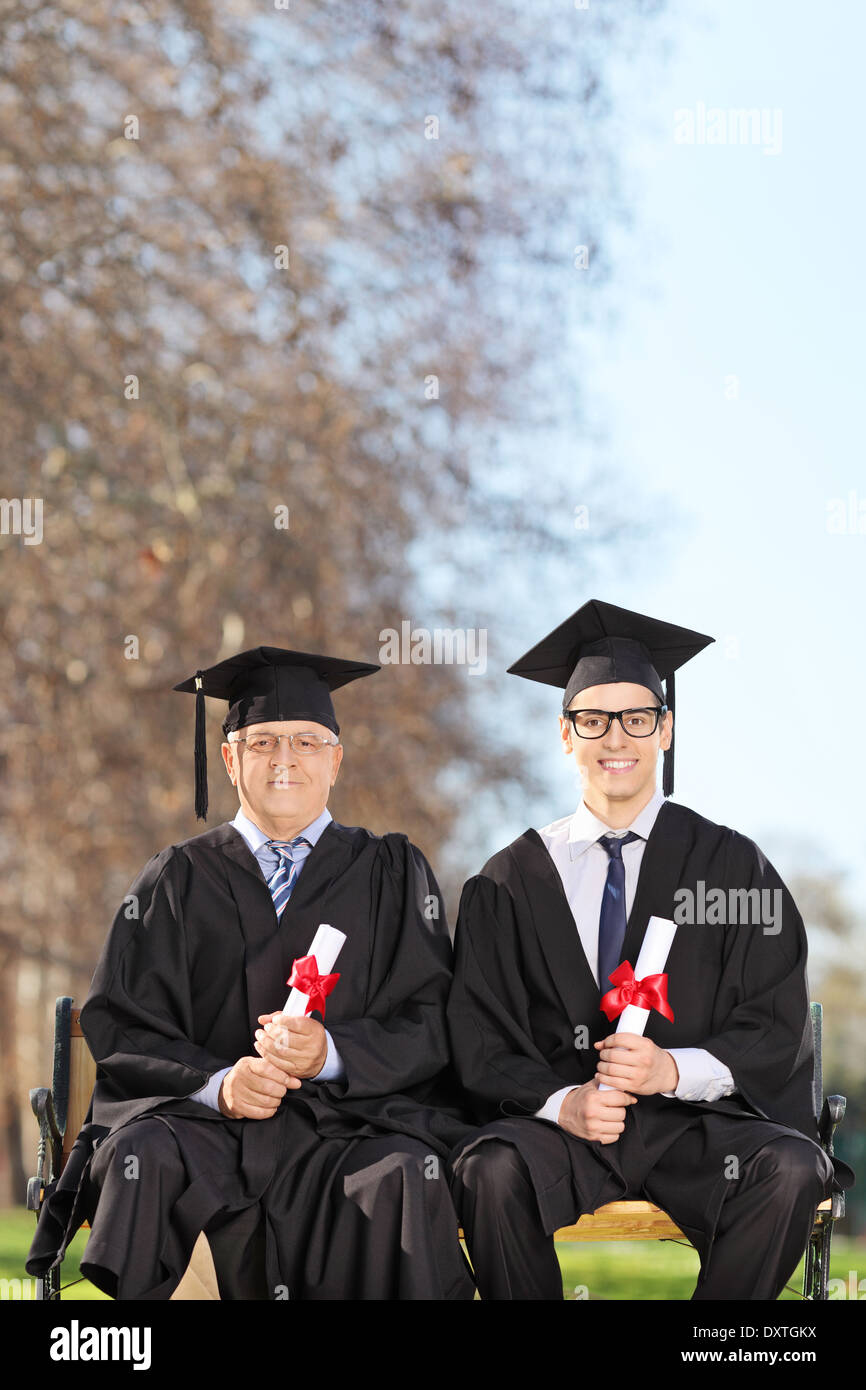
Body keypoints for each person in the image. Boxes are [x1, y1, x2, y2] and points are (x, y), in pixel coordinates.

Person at [27, 645, 474, 1300]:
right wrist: (219, 1084)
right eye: (261, 742)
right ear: (231, 760)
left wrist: (334, 1054)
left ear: (335, 759)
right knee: (142, 1156)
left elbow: (433, 1020)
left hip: (349, 1131)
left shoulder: (393, 873)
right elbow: (122, 1026)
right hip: (204, 1130)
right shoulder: (175, 879)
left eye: (306, 742)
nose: (285, 760)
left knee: (405, 1174)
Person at [446, 599, 853, 1300]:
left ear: (664, 729)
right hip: (563, 1128)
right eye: (593, 720)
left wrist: (670, 1067)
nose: (616, 738)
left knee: (788, 1170)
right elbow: (479, 1040)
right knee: (490, 1171)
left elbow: (772, 1025)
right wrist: (562, 1102)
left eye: (636, 718)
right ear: (564, 736)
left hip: (696, 1129)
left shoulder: (731, 868)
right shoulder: (509, 880)